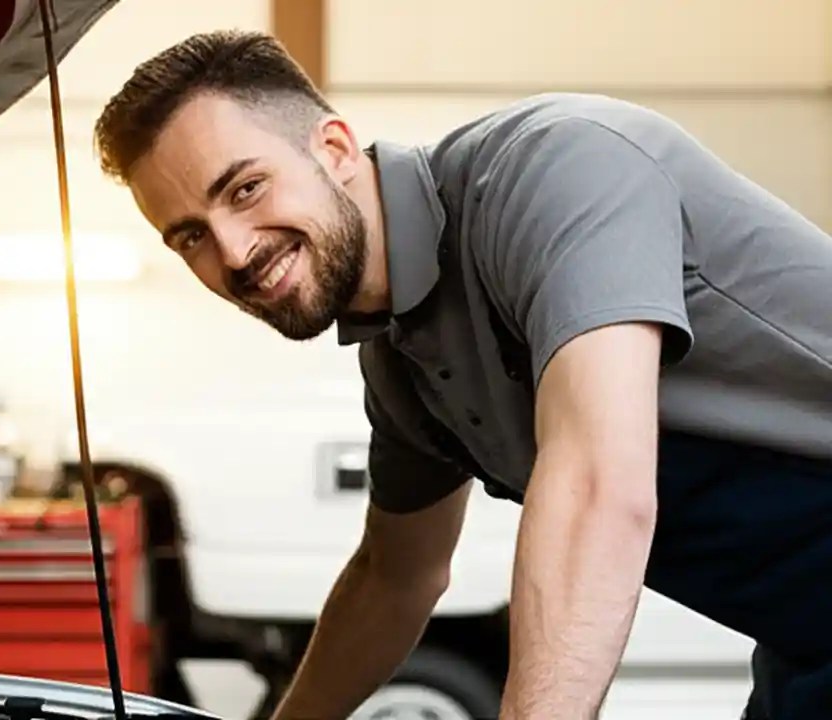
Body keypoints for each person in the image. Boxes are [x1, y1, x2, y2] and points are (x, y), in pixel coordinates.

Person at [91, 29, 832, 720]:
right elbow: (394, 579)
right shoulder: (403, 366)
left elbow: (599, 487)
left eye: (245, 188)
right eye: (190, 236)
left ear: (337, 147)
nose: (233, 251)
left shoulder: (555, 173)